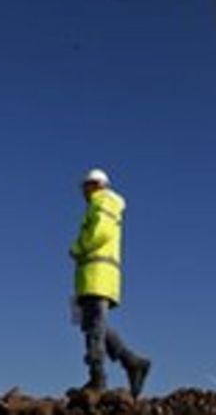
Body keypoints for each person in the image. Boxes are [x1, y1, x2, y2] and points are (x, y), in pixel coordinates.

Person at [69, 168, 151, 395]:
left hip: (98, 275)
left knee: (95, 328)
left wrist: (78, 248)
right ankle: (132, 362)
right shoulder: (101, 203)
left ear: (95, 184)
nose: (82, 192)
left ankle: (98, 380)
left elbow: (101, 232)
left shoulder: (103, 201)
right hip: (92, 277)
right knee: (93, 326)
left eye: (85, 186)